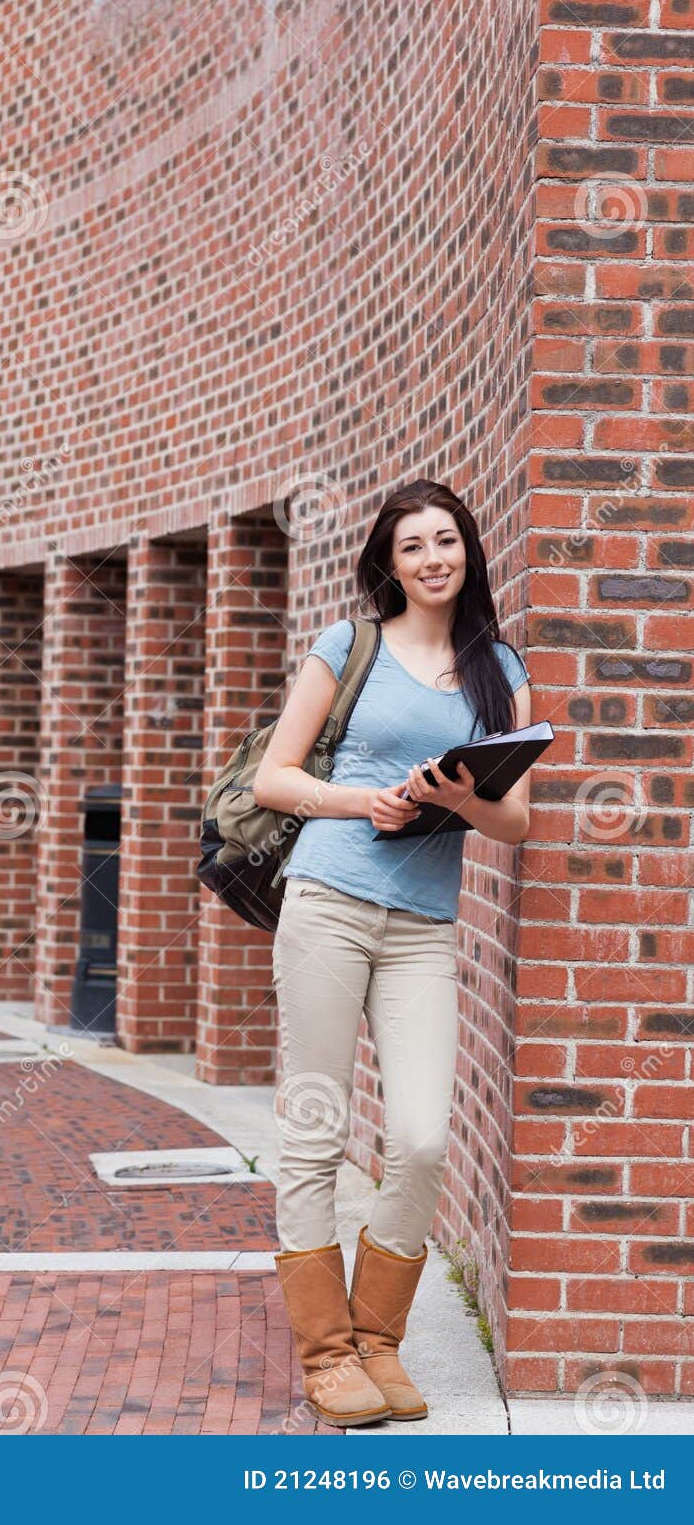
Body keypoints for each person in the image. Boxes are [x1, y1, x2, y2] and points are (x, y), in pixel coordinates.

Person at [252, 479, 532, 1429]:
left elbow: (516, 819)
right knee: (315, 1127)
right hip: (327, 899)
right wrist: (361, 801)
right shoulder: (347, 646)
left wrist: (454, 797)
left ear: (467, 552)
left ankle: (377, 1340)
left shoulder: (496, 667)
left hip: (423, 925)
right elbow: (274, 776)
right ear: (389, 561)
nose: (430, 559)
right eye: (410, 546)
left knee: (418, 1138)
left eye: (444, 541)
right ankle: (326, 1355)